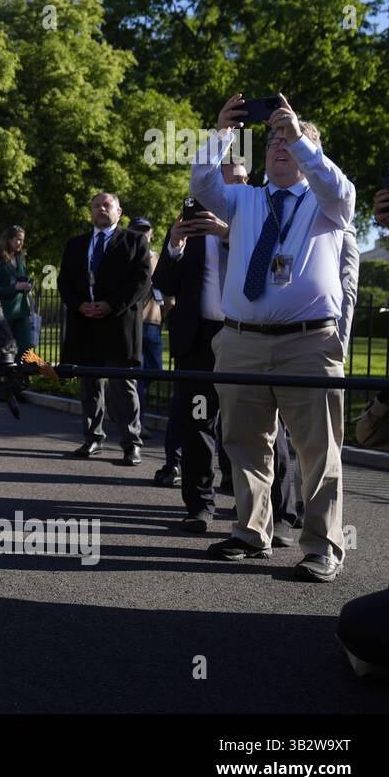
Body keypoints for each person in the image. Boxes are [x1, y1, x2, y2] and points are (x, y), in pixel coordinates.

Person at [193, 93, 354, 583]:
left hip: (308, 343)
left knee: (317, 450)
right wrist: (221, 133)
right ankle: (250, 531)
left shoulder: (327, 204)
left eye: (291, 139)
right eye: (274, 140)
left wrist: (301, 139)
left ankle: (322, 545)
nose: (280, 145)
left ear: (310, 152)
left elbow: (338, 189)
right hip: (241, 340)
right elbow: (202, 182)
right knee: (244, 443)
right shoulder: (244, 199)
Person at [153, 163, 246, 532]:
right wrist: (175, 244)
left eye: (239, 178)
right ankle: (199, 508)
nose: (231, 184)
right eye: (225, 178)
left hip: (246, 339)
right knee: (198, 424)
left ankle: (259, 508)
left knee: (251, 427)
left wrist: (228, 234)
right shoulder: (189, 224)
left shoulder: (254, 219)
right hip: (197, 342)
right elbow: (164, 282)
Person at [57, 192, 153, 466]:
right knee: (89, 386)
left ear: (119, 212)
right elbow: (64, 281)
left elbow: (142, 280)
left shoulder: (134, 241)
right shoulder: (76, 244)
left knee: (123, 387)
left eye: (107, 205)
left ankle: (131, 443)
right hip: (84, 324)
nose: (101, 209)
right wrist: (79, 305)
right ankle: (92, 438)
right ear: (90, 212)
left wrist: (111, 305)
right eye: (96, 205)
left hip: (118, 324)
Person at [127, 217, 165, 423]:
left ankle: (121, 399)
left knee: (155, 370)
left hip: (153, 321)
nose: (142, 234)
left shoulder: (157, 257)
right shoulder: (126, 256)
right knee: (138, 373)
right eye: (137, 230)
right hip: (133, 320)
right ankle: (137, 422)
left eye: (145, 231)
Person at [0, 225, 34, 356]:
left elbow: (19, 279)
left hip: (21, 311)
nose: (20, 243)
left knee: (26, 348)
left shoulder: (21, 259)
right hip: (5, 313)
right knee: (5, 351)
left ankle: (23, 375)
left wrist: (27, 285)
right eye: (17, 239)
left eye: (22, 240)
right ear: (8, 239)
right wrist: (14, 288)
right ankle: (8, 375)